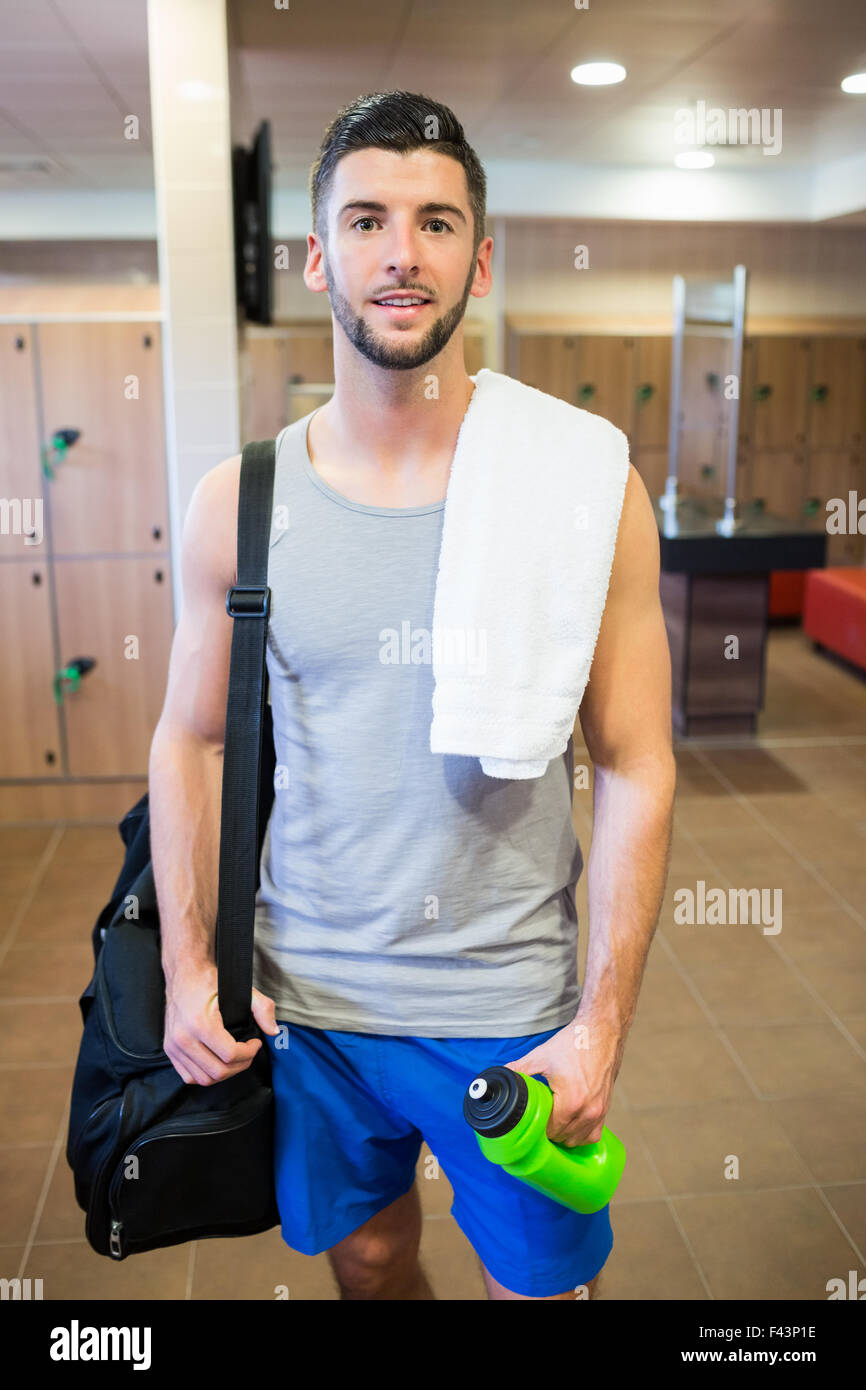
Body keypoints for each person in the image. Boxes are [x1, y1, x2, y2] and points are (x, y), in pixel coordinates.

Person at [149, 90, 676, 1301]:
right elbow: (188, 741)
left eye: (435, 222)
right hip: (309, 1005)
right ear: (318, 257)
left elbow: (635, 761)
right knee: (374, 1261)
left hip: (508, 1006)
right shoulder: (242, 502)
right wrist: (188, 964)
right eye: (367, 220)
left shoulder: (583, 491)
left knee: (541, 1290)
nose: (401, 252)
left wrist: (600, 1023)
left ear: (477, 262)